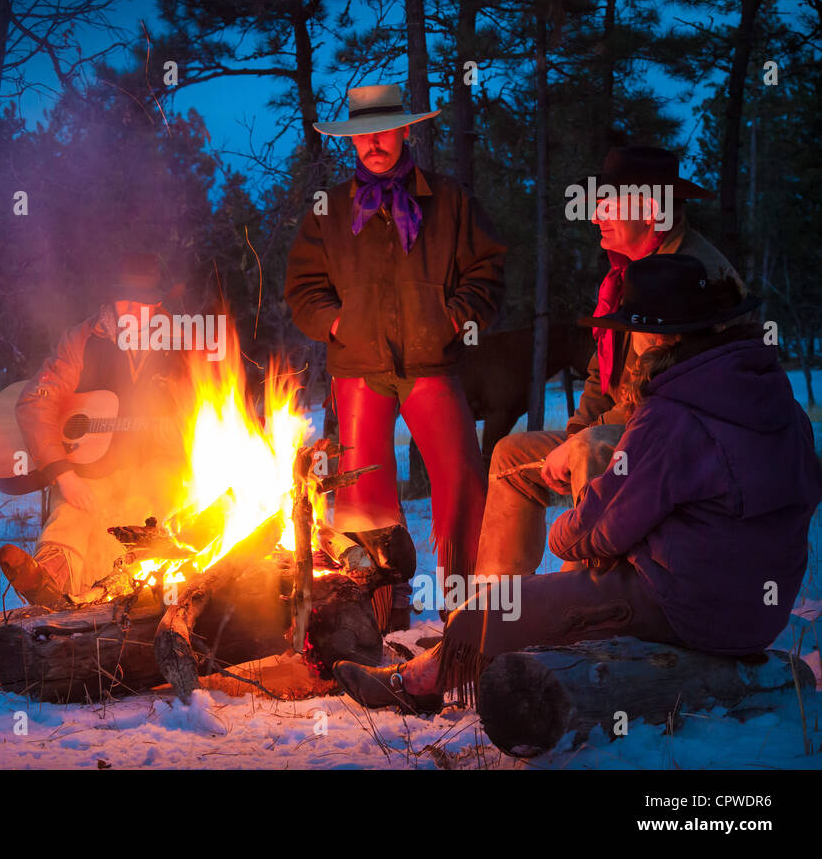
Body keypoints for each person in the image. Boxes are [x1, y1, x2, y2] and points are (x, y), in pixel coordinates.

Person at [333, 254, 820, 712]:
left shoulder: (671, 416)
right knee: (536, 593)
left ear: (661, 339)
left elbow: (599, 529)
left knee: (491, 610)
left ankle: (413, 683)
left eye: (636, 334)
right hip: (757, 614)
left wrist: (561, 530)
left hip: (686, 606)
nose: (634, 345)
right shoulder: (780, 404)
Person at [285, 83, 507, 627]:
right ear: (351, 141)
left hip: (432, 362)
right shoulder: (329, 208)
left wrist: (455, 318)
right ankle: (379, 617)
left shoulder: (450, 200)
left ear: (406, 130)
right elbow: (303, 287)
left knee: (462, 484)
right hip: (358, 366)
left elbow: (489, 272)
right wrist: (339, 322)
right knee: (363, 497)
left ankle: (466, 611)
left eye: (383, 131)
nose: (373, 142)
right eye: (362, 135)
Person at [476, 145, 745, 579]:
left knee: (592, 451)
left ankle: (577, 611)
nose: (596, 215)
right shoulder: (627, 272)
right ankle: (495, 613)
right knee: (511, 458)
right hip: (632, 425)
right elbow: (603, 374)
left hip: (685, 442)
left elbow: (657, 401)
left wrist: (584, 440)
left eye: (609, 204)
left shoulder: (688, 278)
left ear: (652, 210)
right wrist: (578, 428)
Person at [0, 254, 195, 606]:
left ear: (158, 303)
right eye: (125, 300)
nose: (133, 310)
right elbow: (36, 401)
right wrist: (63, 473)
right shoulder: (82, 339)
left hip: (156, 470)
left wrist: (176, 432)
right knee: (74, 511)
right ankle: (47, 579)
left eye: (143, 302)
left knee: (138, 515)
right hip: (91, 469)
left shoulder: (180, 343)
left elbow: (202, 413)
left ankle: (105, 596)